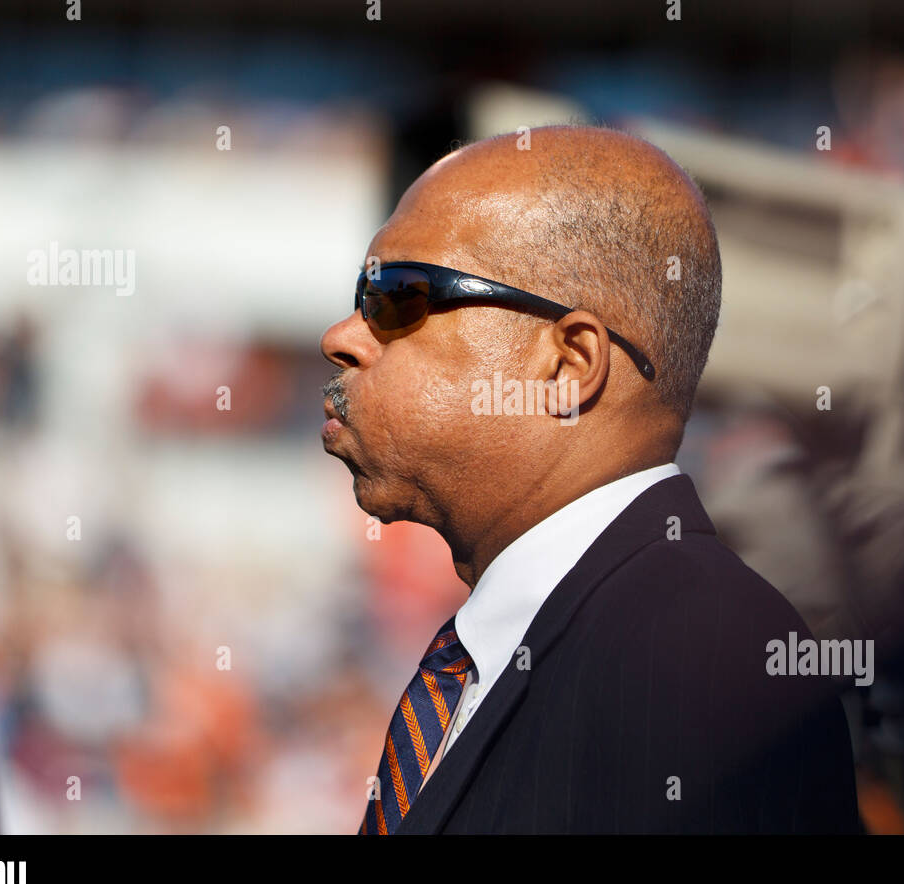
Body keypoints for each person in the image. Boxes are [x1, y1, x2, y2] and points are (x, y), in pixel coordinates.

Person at [319, 125, 861, 834]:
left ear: (569, 364)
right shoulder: (592, 633)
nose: (341, 336)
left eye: (397, 296)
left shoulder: (696, 658)